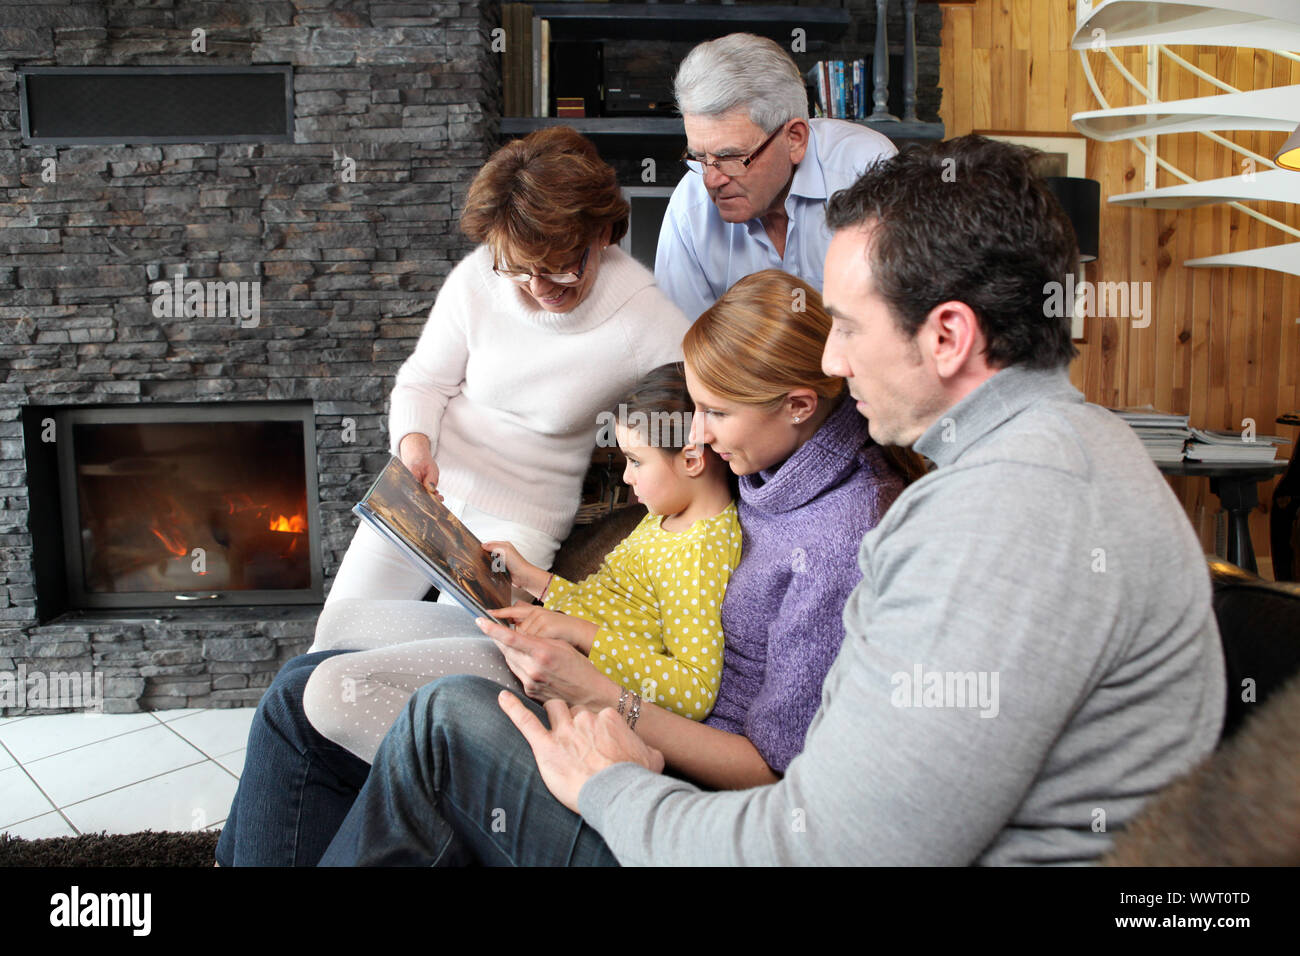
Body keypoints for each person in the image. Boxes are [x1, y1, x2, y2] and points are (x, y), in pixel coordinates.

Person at [319, 136, 1226, 867]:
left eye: (850, 329)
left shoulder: (998, 521)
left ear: (949, 334)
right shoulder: (1067, 452)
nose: (831, 364)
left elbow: (828, 842)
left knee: (444, 723)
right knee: (358, 699)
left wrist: (617, 780)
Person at [214, 269, 912, 865]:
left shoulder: (833, 540)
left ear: (796, 407)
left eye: (714, 412)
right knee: (300, 685)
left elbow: (774, 775)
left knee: (440, 713)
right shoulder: (767, 468)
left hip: (687, 797)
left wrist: (601, 691)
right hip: (638, 720)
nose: (694, 432)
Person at [317, 125, 688, 615]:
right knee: (338, 637)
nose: (538, 287)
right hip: (427, 492)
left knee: (462, 663)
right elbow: (423, 382)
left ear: (601, 234)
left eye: (558, 266)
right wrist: (414, 448)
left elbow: (712, 402)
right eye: (517, 268)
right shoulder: (479, 275)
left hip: (522, 521)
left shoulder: (644, 319)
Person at [300, 364, 742, 763]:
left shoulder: (701, 554)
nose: (626, 477)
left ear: (690, 459)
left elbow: (694, 690)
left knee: (333, 693)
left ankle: (453, 778)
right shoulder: (664, 517)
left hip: (554, 678)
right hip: (541, 636)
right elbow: (610, 606)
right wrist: (536, 579)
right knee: (341, 621)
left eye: (636, 462)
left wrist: (575, 631)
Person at [654, 33, 897, 321]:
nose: (711, 180)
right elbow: (684, 344)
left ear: (794, 139)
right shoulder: (689, 207)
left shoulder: (869, 172)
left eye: (731, 157)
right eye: (701, 158)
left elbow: (900, 323)